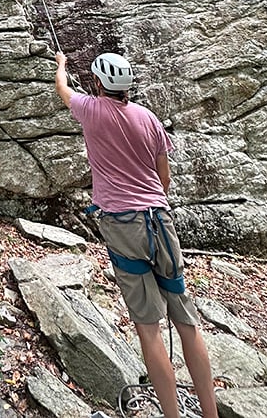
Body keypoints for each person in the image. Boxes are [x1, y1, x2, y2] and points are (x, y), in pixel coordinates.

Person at [54, 50, 219, 418]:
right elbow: (164, 178)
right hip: (160, 220)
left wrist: (61, 65)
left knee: (149, 330)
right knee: (186, 321)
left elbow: (63, 90)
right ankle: (211, 414)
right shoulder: (148, 117)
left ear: (98, 83)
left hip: (123, 226)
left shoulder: (91, 110)